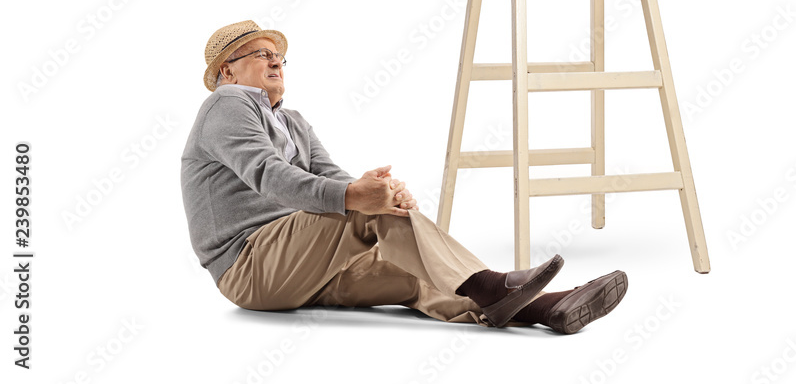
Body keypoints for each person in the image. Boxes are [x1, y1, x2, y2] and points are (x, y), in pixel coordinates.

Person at [180, 20, 627, 334]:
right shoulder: (228, 104)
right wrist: (360, 197)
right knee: (363, 210)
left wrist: (380, 191)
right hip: (251, 265)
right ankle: (491, 283)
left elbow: (333, 176)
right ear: (228, 71)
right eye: (261, 54)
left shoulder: (293, 121)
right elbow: (269, 176)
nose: (275, 61)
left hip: (300, 266)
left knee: (416, 273)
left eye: (278, 55)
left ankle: (544, 309)